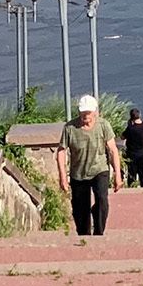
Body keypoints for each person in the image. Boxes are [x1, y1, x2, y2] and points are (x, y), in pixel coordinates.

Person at [56, 94, 122, 236]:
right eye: (82, 112)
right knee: (80, 209)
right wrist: (62, 176)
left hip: (100, 170)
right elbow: (61, 151)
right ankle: (84, 235)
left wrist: (118, 175)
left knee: (102, 200)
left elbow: (113, 150)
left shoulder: (103, 125)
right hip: (78, 173)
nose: (85, 115)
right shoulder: (70, 128)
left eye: (88, 112)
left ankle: (99, 232)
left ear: (95, 112)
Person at [122, 107, 143, 188]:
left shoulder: (130, 128)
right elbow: (142, 123)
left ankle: (131, 187)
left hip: (132, 154)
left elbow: (122, 137)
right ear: (139, 115)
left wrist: (129, 124)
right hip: (142, 153)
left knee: (132, 173)